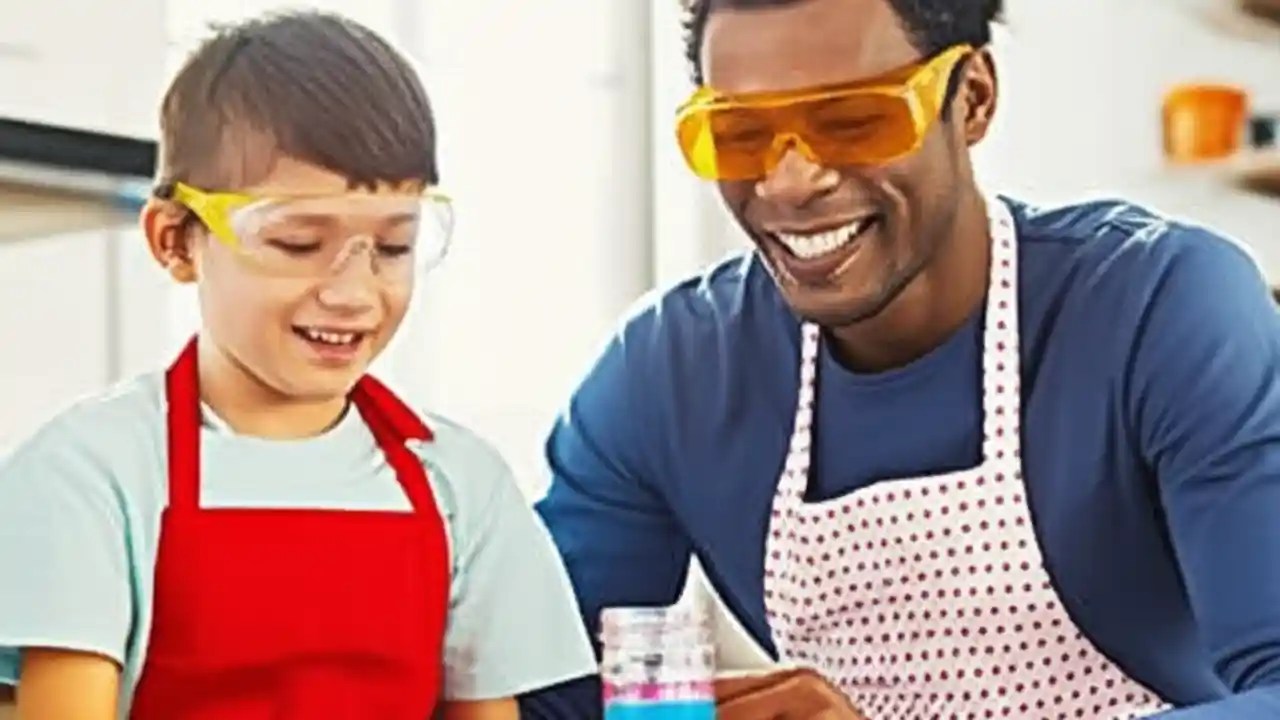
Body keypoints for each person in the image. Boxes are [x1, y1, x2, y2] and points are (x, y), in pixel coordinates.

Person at [518, 0, 1280, 718]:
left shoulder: (1160, 307)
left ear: (973, 98)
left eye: (853, 121)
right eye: (741, 134)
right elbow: (530, 689)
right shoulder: (667, 375)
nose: (790, 181)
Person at [0, 12, 595, 720]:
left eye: (395, 247)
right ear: (176, 242)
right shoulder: (89, 474)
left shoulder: (464, 485)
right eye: (297, 242)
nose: (351, 291)